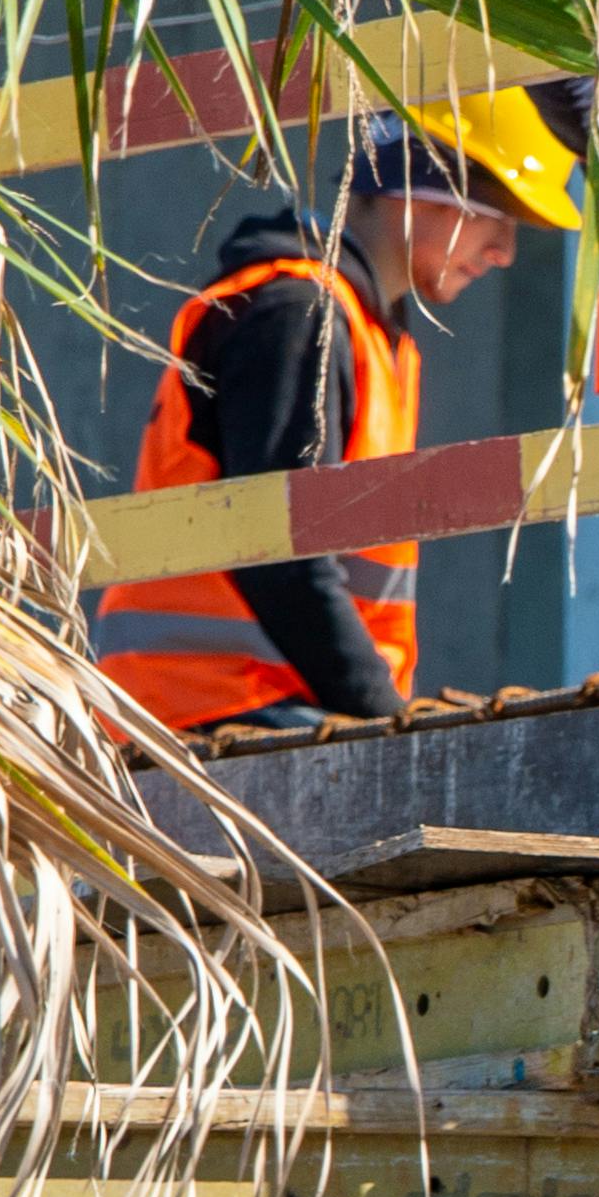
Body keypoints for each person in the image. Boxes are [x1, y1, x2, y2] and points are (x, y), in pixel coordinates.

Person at [91, 110, 549, 740]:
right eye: (494, 218)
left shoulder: (366, 329)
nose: (503, 253)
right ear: (417, 191)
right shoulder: (297, 314)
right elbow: (278, 553)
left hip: (266, 706)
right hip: (216, 710)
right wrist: (385, 716)